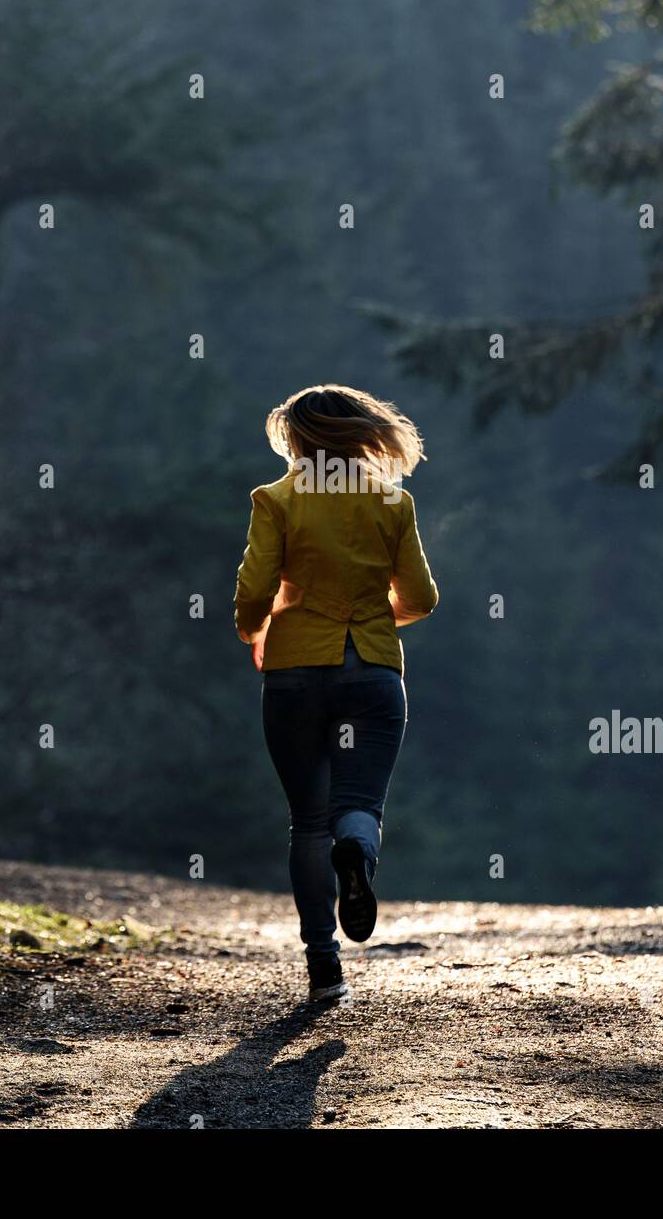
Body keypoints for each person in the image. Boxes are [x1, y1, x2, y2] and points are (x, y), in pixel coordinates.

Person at [234, 384, 439, 1002]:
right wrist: (373, 619)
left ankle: (323, 965)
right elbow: (423, 598)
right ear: (358, 434)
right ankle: (357, 852)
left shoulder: (276, 499)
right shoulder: (391, 502)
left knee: (306, 824)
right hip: (373, 672)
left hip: (296, 673)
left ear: (298, 441)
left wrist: (258, 627)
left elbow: (255, 587)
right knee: (358, 807)